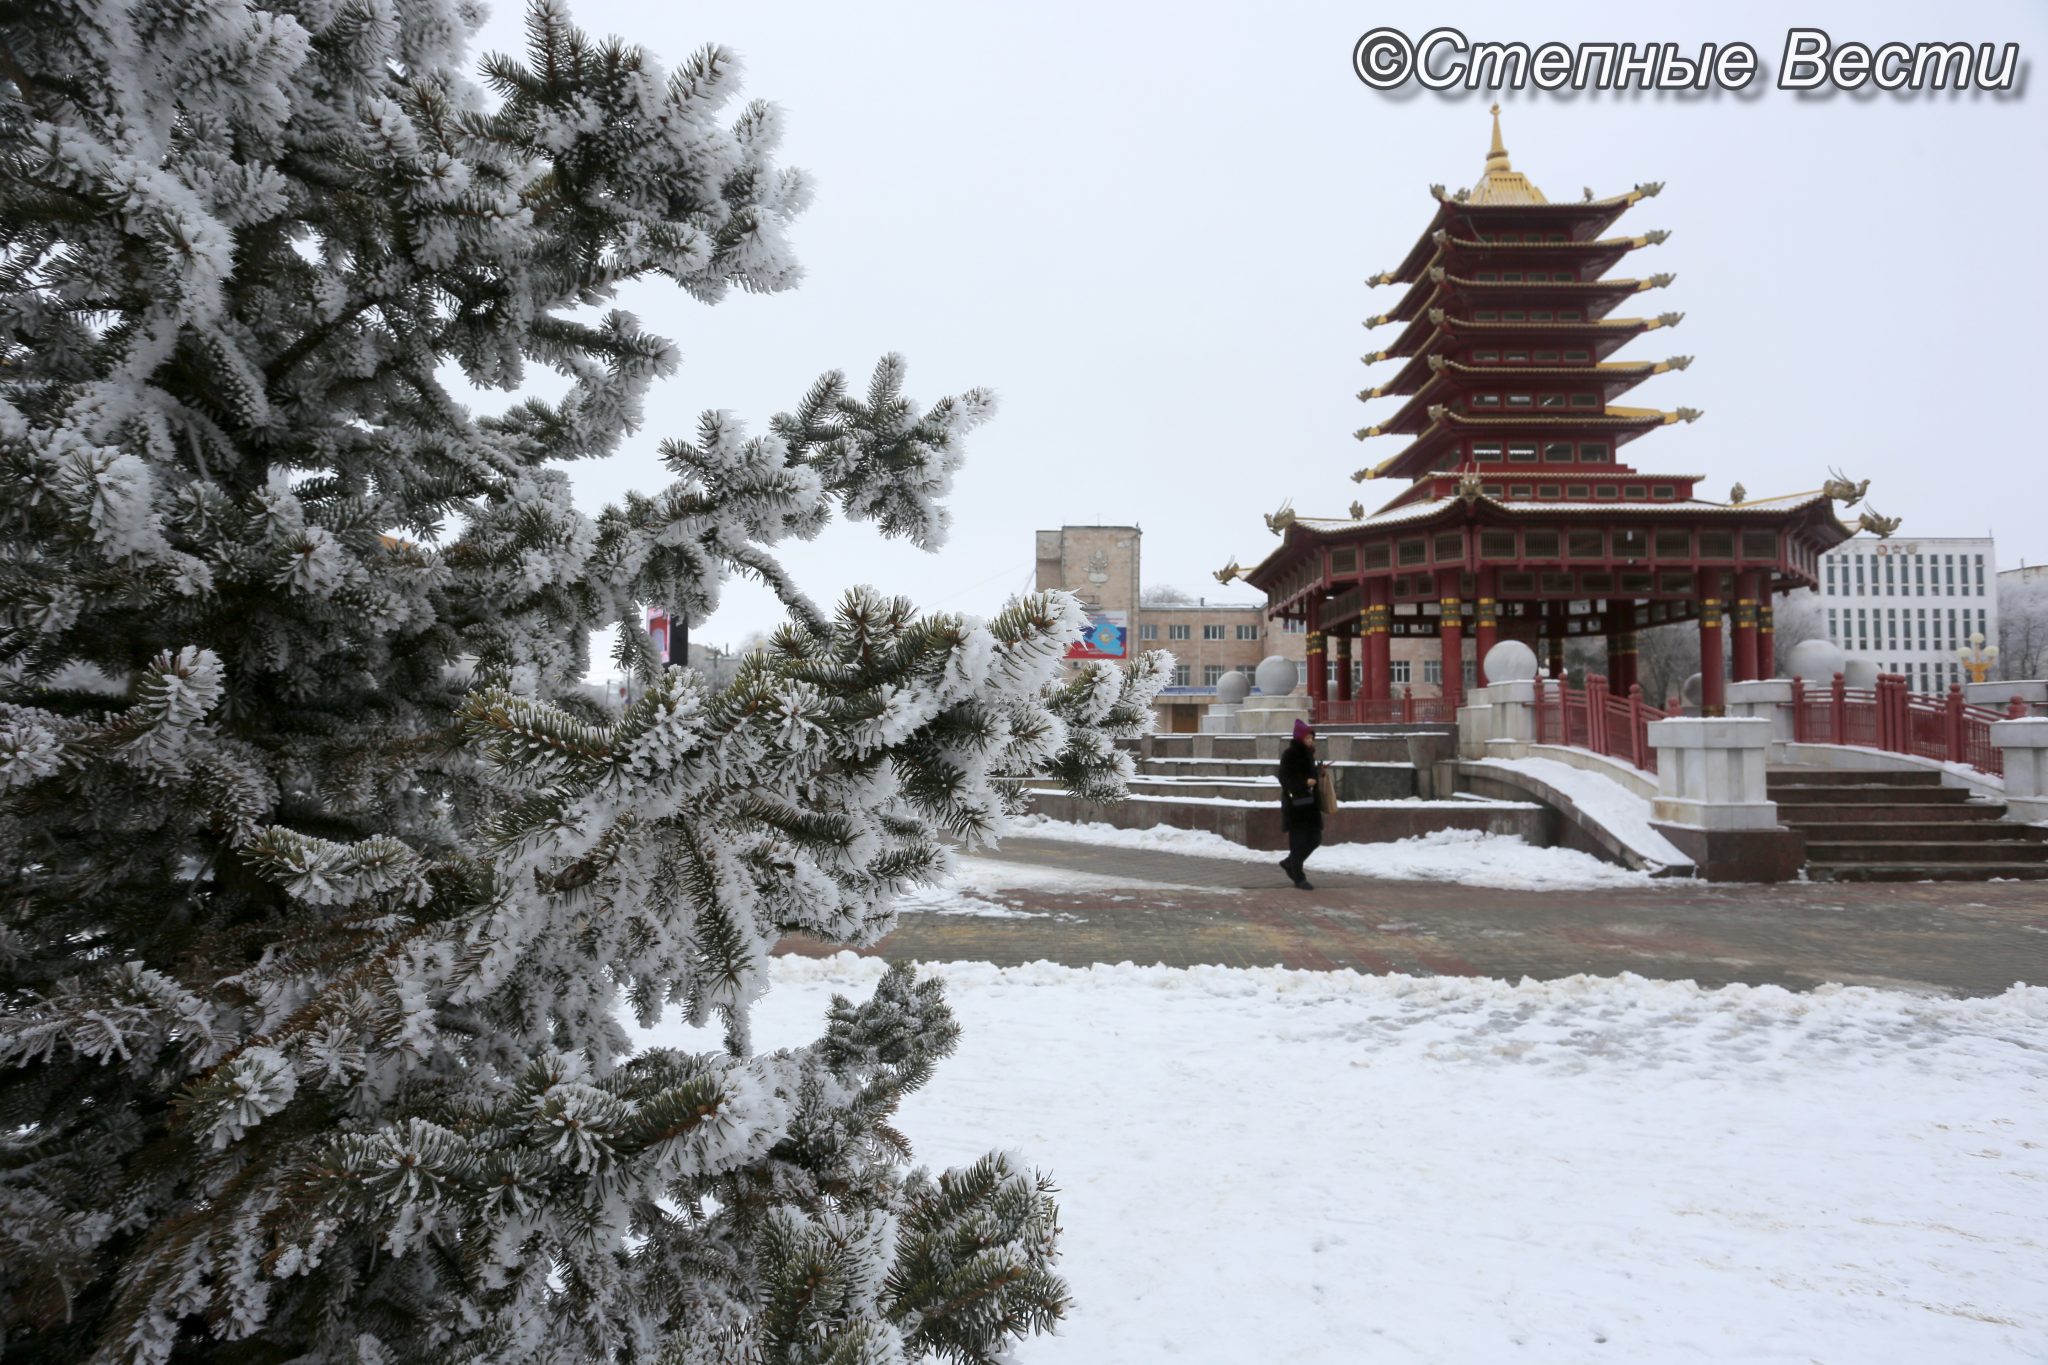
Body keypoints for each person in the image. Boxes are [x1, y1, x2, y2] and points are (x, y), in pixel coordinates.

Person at [1277, 718, 1323, 889]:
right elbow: (1284, 778)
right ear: (1299, 738)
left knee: (1315, 838)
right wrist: (1305, 783)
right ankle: (1298, 877)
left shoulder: (1309, 754)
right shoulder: (1290, 754)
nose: (1310, 741)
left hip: (1311, 805)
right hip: (1296, 804)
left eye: (1312, 738)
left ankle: (1290, 862)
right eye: (1308, 738)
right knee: (1298, 841)